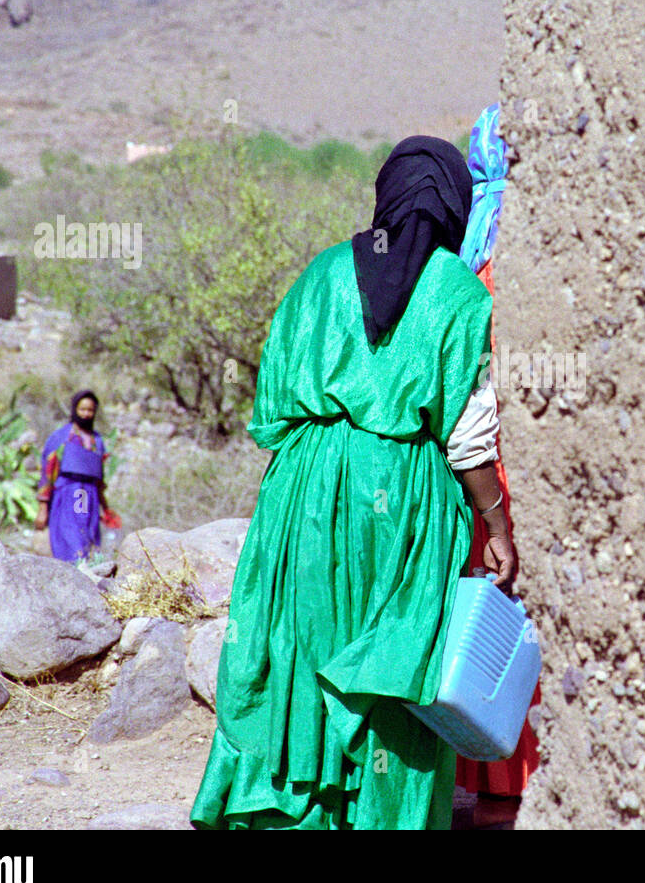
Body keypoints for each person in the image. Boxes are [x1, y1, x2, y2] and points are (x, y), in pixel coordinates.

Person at [190, 135, 515, 831]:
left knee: (304, 646)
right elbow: (467, 435)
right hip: (402, 501)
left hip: (304, 492)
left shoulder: (324, 272)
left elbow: (269, 406)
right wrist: (495, 525)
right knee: (393, 664)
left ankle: (302, 810)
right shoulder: (458, 295)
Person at [453, 102, 542, 829]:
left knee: (483, 607)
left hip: (471, 469)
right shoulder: (515, 251)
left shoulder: (459, 255)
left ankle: (482, 775)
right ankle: (510, 782)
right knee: (513, 610)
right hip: (501, 468)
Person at [35, 390, 120, 563]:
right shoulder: (61, 437)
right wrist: (43, 507)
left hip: (90, 495)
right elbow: (48, 472)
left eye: (90, 410)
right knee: (72, 538)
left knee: (88, 535)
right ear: (75, 410)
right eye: (82, 409)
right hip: (69, 493)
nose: (86, 414)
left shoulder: (97, 441)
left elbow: (99, 478)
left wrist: (106, 508)